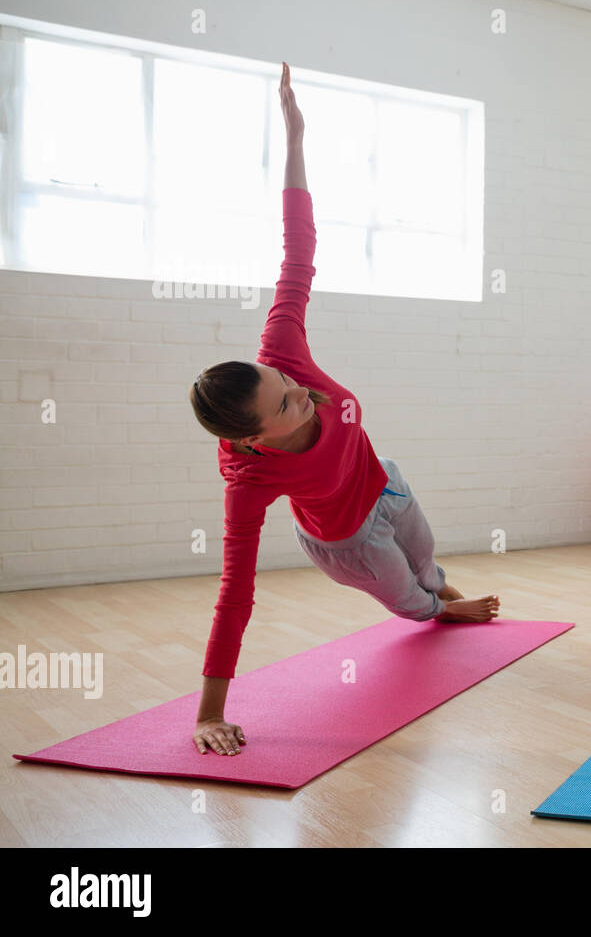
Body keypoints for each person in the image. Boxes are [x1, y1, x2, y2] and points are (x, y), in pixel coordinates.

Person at [187, 64, 500, 756]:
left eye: (285, 380)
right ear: (255, 437)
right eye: (289, 403)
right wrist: (210, 712)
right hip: (347, 543)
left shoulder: (283, 349)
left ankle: (450, 601)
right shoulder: (249, 481)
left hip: (386, 484)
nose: (304, 392)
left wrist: (295, 137)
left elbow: (298, 250)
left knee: (430, 566)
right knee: (413, 603)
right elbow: (235, 594)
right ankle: (443, 614)